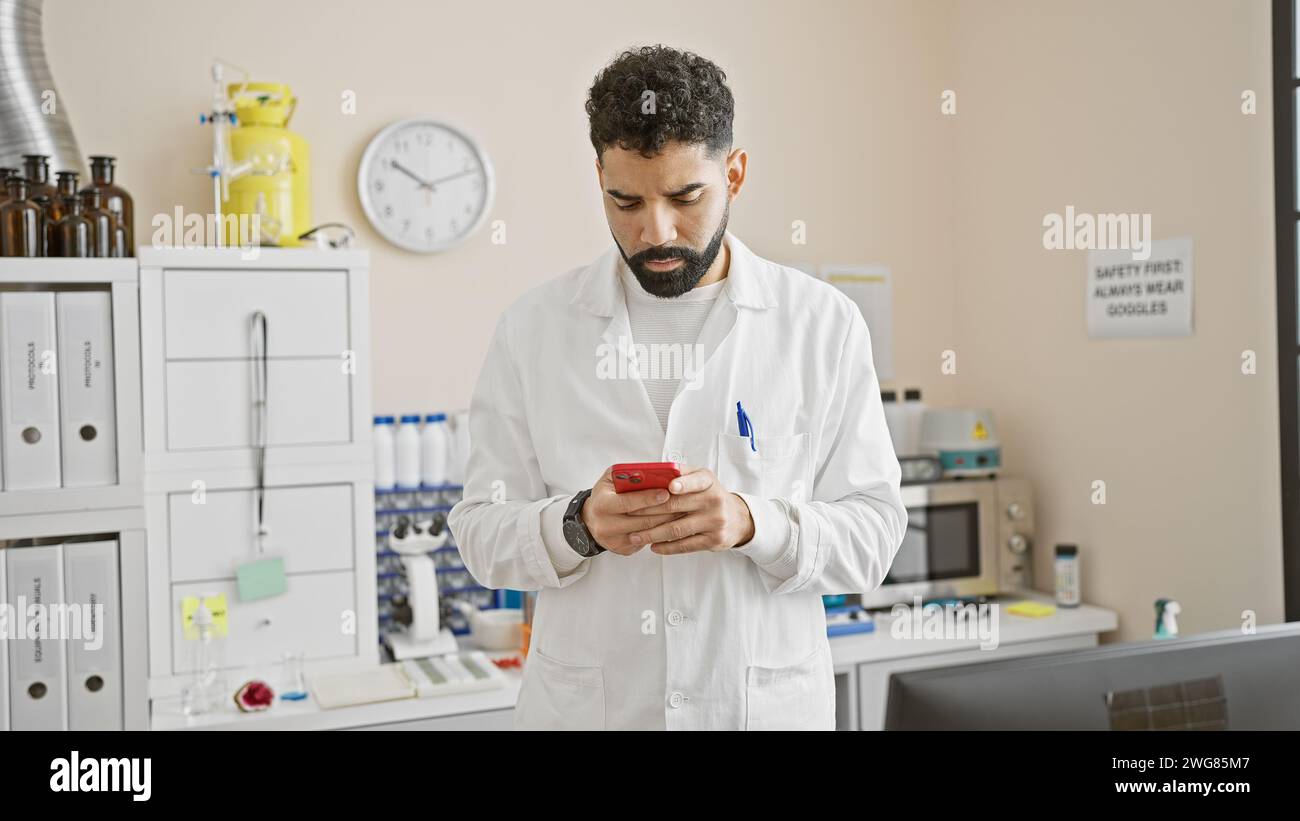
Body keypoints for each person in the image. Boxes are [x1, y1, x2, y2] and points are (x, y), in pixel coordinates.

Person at [448, 44, 906, 730]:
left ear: (736, 173)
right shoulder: (534, 329)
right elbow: (479, 530)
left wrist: (755, 522)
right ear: (598, 174)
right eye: (625, 200)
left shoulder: (821, 324)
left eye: (686, 197)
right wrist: (575, 524)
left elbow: (874, 533)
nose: (654, 231)